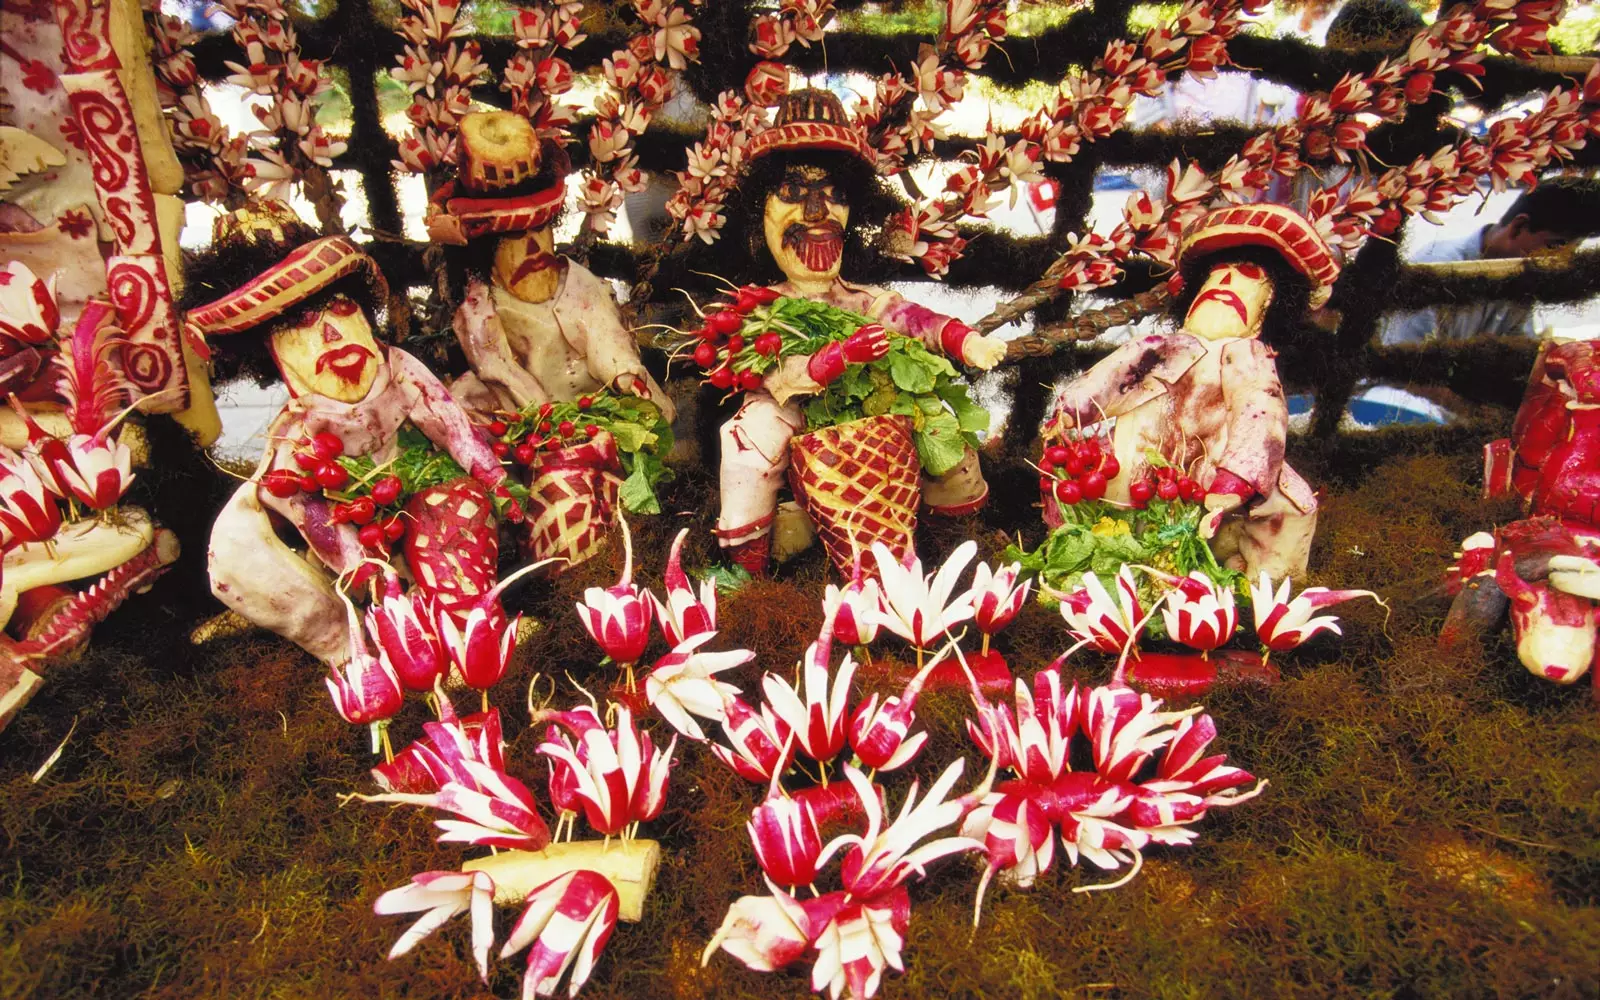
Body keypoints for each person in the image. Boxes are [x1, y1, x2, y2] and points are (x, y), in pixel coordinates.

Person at [192, 205, 507, 666]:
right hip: (355, 527)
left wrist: (493, 475)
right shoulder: (296, 435)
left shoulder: (399, 369)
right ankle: (376, 640)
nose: (332, 335)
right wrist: (364, 568)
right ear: (272, 354)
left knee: (458, 511)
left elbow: (450, 423)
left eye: (341, 310)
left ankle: (471, 627)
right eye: (300, 328)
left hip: (419, 488)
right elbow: (310, 513)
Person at [712, 89, 1008, 574]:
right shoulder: (761, 307)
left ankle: (952, 552)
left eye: (832, 196)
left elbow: (915, 321)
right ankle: (749, 576)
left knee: (945, 438)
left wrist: (965, 341)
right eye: (792, 194)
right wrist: (831, 361)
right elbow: (764, 370)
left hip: (870, 408)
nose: (815, 212)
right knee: (750, 441)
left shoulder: (862, 299)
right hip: (791, 409)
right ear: (758, 210)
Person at [1044, 203, 1340, 580]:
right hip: (1132, 458)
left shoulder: (1249, 358)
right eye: (1216, 277)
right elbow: (1109, 379)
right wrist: (1070, 412)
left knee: (1293, 508)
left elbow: (1260, 417)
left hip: (1210, 471)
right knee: (1073, 480)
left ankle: (1255, 588)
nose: (1225, 285)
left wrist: (1235, 481)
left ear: (1268, 305)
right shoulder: (1158, 345)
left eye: (1246, 276)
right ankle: (1084, 562)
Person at [1380, 177, 1600, 344]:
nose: (1557, 261)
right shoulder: (1438, 265)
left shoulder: (1522, 277)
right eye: (1553, 246)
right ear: (1518, 226)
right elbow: (1403, 363)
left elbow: (1518, 348)